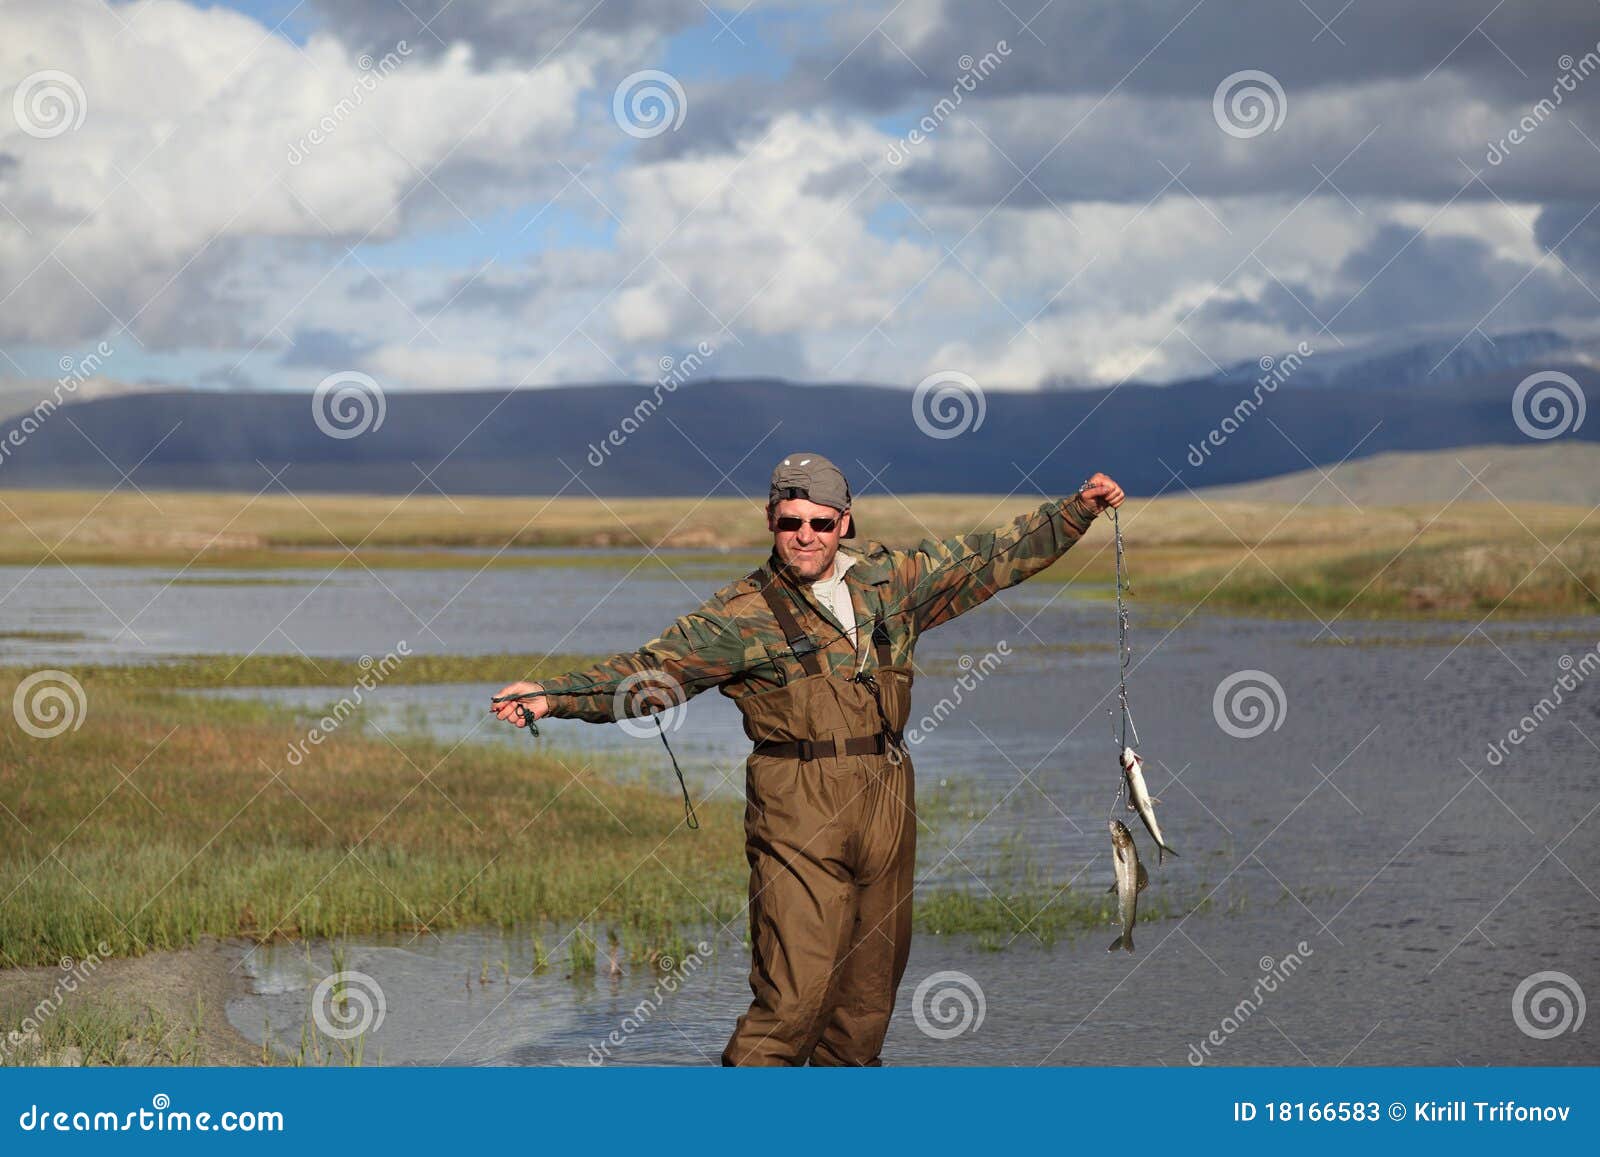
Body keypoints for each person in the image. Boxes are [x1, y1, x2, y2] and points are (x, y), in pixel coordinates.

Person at [492, 453, 1125, 1065]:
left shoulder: (892, 581)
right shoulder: (738, 615)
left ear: (844, 521)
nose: (804, 536)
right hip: (798, 800)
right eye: (790, 521)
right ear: (771, 520)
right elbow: (650, 673)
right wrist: (555, 697)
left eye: (820, 522)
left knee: (864, 1010)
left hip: (888, 792)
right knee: (792, 1003)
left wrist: (1078, 511)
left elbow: (993, 558)